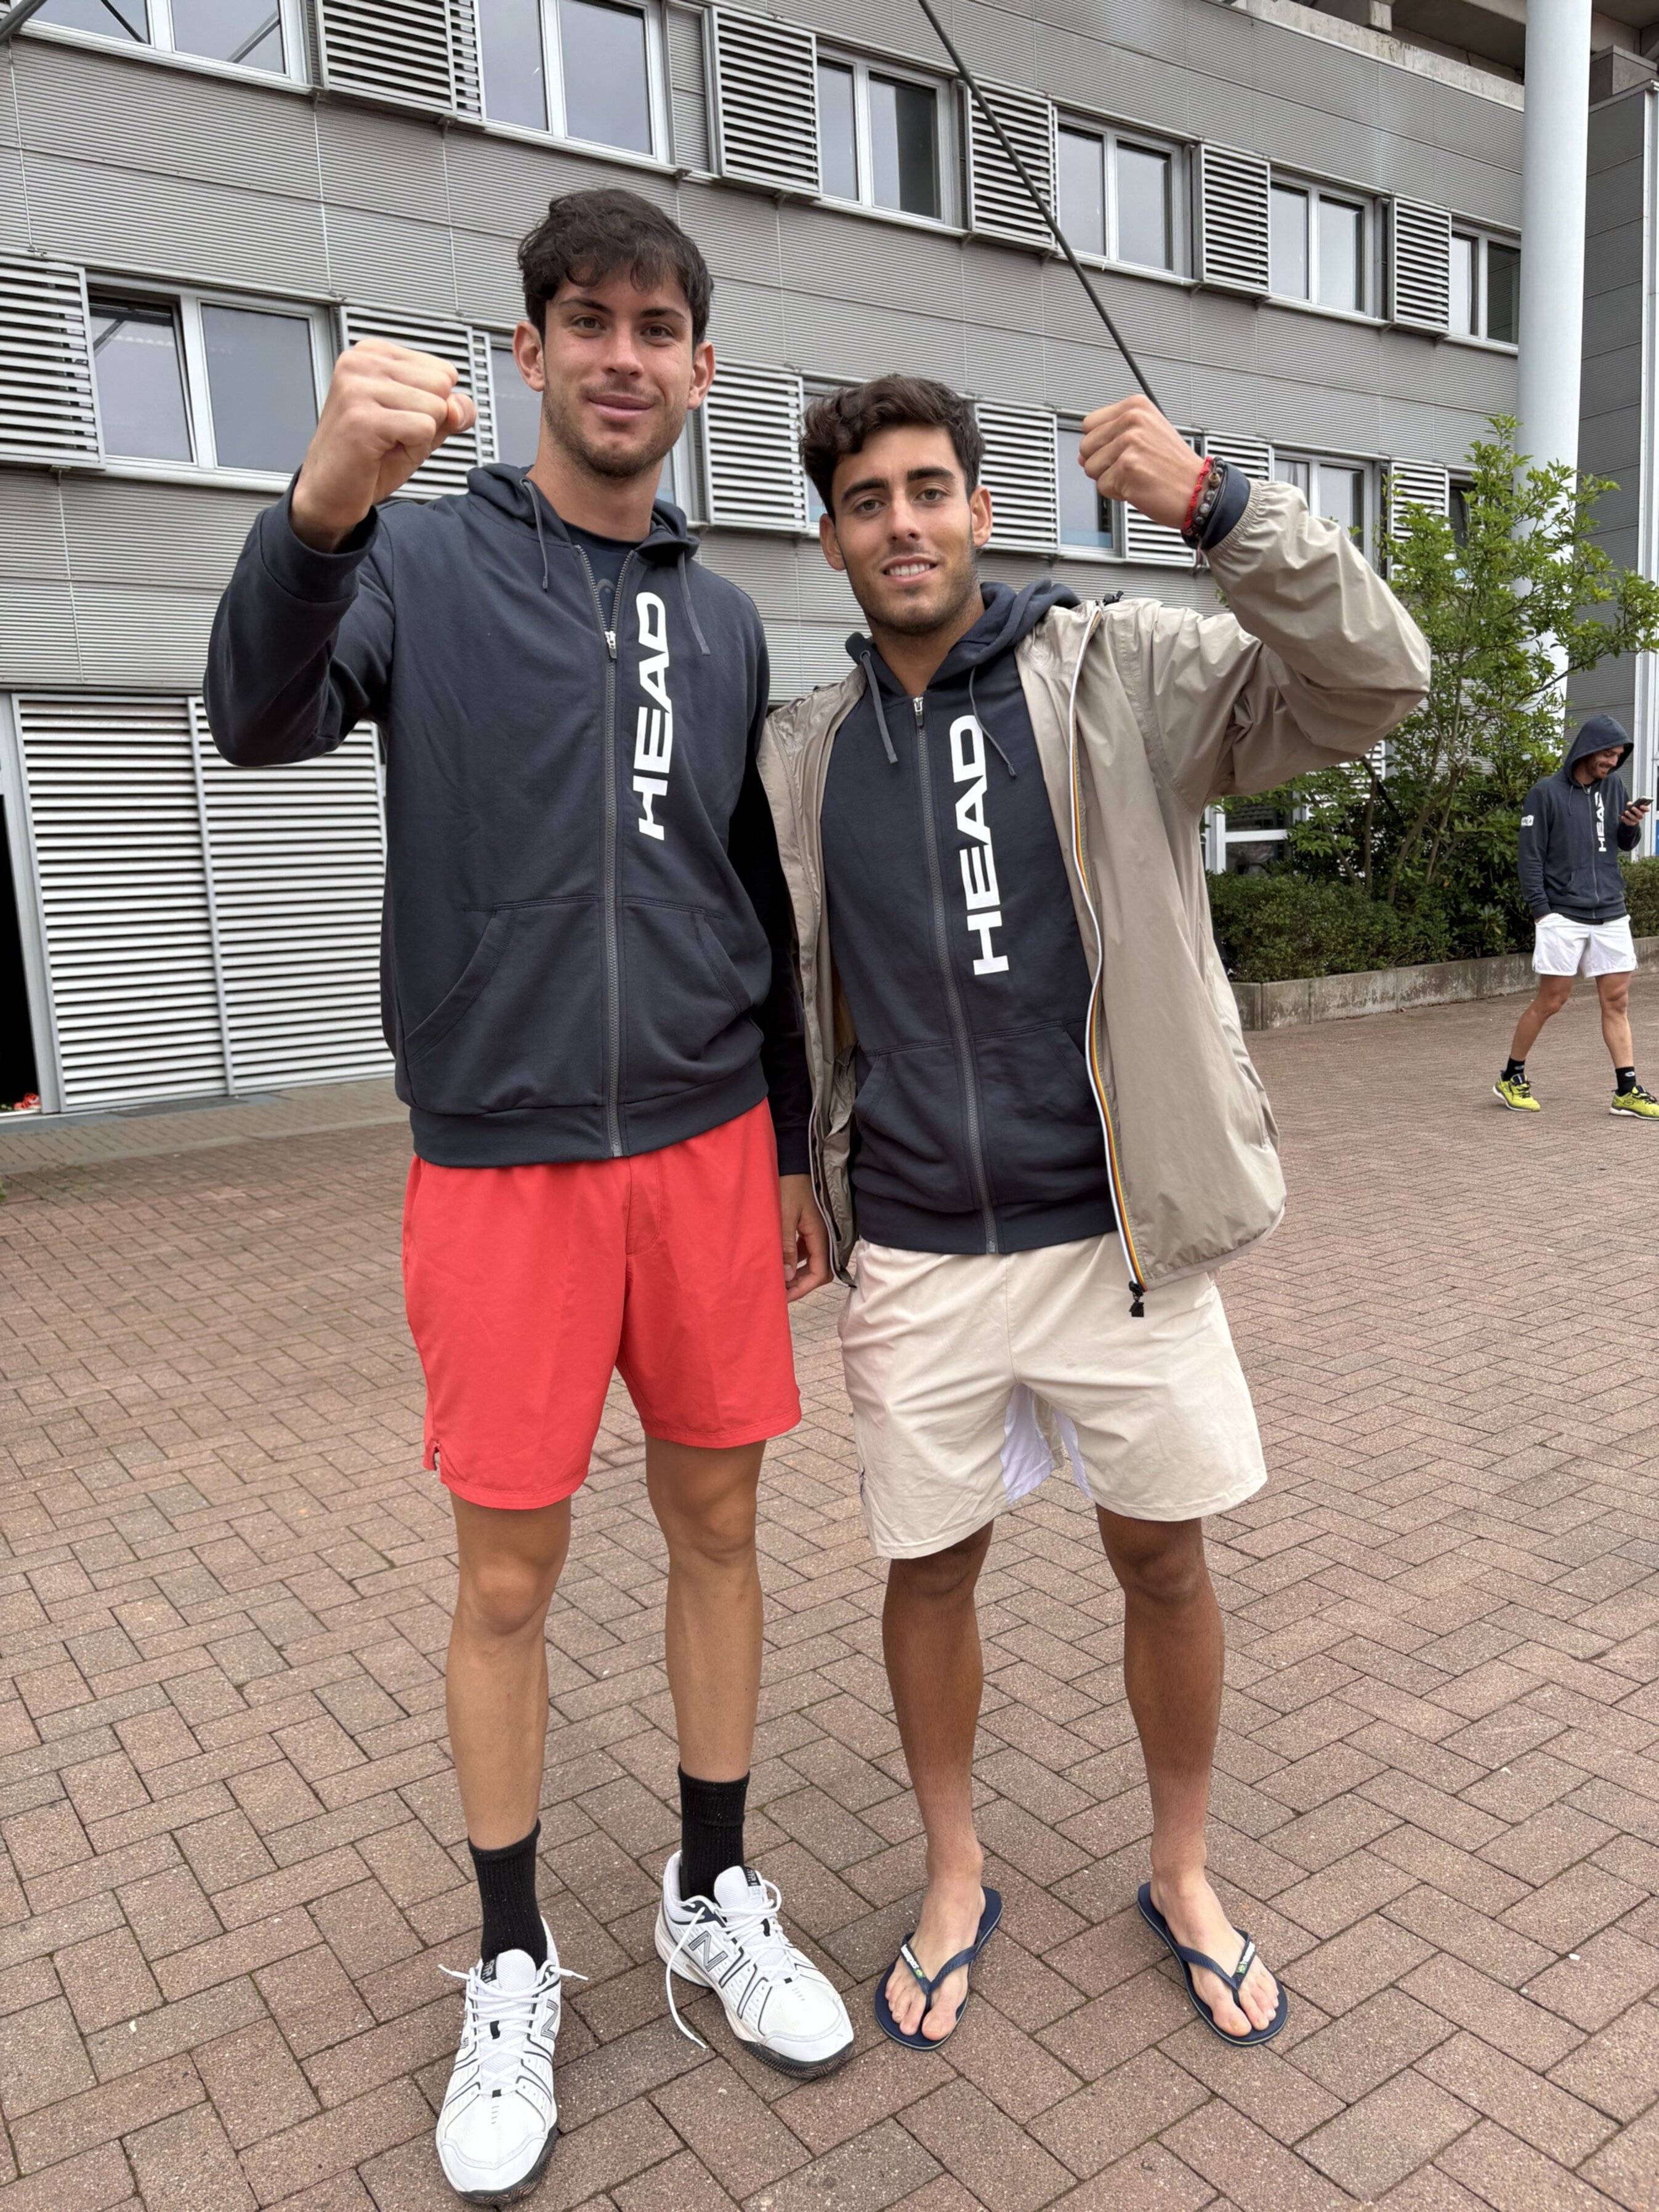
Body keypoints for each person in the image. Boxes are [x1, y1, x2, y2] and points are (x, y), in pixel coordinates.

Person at [205, 188, 850, 2206]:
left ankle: (711, 1892)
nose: (621, 356)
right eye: (587, 321)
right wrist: (319, 506)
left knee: (721, 1528)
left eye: (656, 328)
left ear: (700, 369)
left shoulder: (720, 620)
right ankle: (509, 1957)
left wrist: (790, 1143)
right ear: (530, 351)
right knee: (505, 1580)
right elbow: (254, 717)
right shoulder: (412, 559)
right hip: (502, 1164)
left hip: (704, 1155)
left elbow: (752, 900)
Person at [757, 377, 1429, 2053]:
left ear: (978, 511)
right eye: (865, 500)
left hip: (1116, 1237)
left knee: (1163, 1559)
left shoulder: (1116, 671)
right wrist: (787, 1166)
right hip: (917, 1243)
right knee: (927, 1570)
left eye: (927, 489)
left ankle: (1180, 1869)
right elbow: (772, 982)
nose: (900, 523)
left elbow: (1373, 678)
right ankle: (952, 1873)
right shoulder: (802, 750)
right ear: (828, 537)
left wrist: (1218, 509)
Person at [1495, 713, 1657, 1116]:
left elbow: (1622, 843)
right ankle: (1511, 1076)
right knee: (1552, 1000)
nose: (1613, 762)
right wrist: (1542, 913)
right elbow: (1530, 858)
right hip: (1563, 914)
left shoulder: (1614, 787)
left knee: (1617, 1001)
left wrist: (1630, 826)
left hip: (1611, 911)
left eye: (1618, 756)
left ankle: (1626, 1091)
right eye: (1608, 754)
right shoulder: (1545, 793)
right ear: (1588, 749)